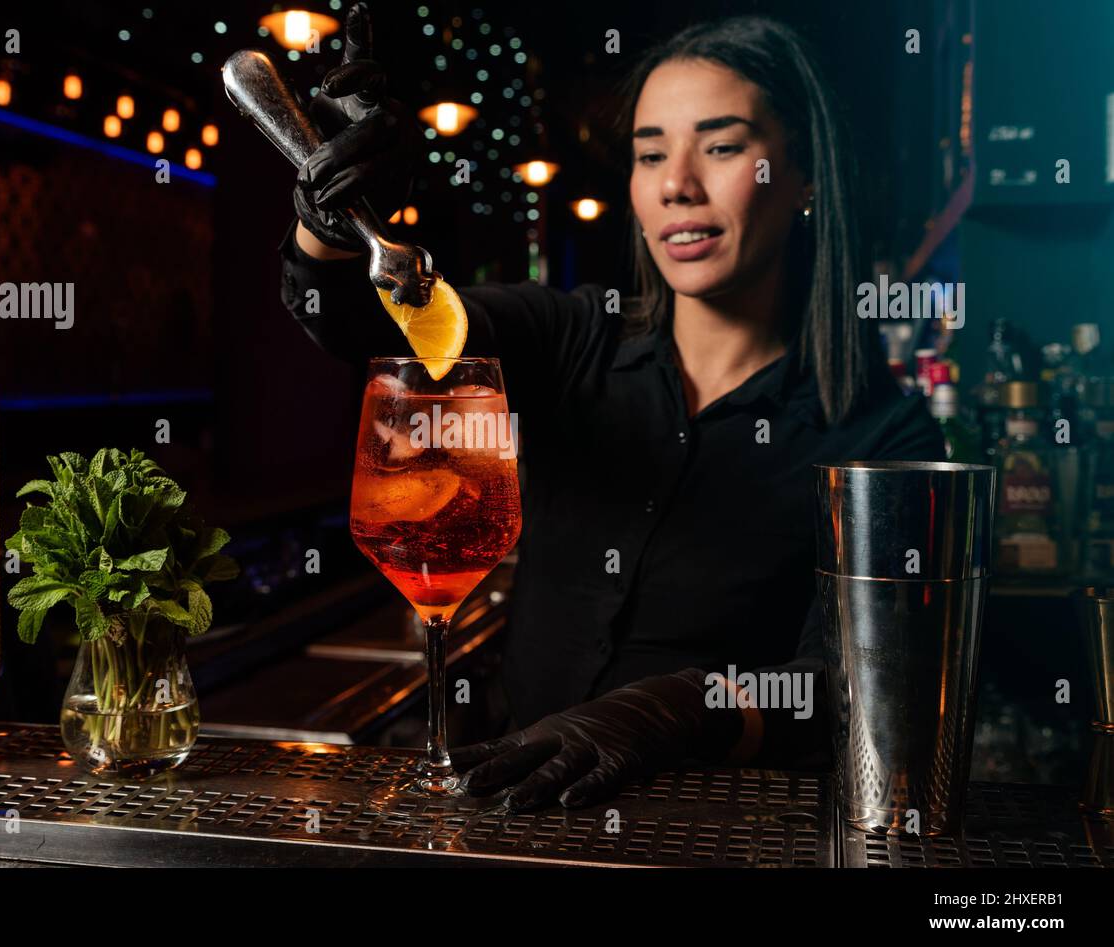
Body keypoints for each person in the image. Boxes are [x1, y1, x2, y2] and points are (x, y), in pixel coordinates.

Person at [277, 5, 945, 811]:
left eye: (723, 146)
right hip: (516, 812)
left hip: (715, 829)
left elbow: (845, 684)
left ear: (803, 177)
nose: (676, 184)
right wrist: (336, 226)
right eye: (649, 153)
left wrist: (668, 709)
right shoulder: (571, 337)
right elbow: (371, 323)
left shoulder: (887, 435)